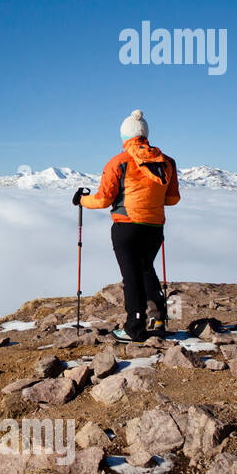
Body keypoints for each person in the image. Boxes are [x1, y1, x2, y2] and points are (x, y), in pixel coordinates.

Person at [73, 109, 180, 341]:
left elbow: (102, 200)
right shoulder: (166, 163)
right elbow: (172, 199)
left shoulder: (119, 162)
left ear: (125, 137)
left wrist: (81, 200)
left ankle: (135, 328)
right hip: (154, 228)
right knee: (144, 268)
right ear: (145, 134)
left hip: (126, 227)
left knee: (131, 276)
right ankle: (158, 316)